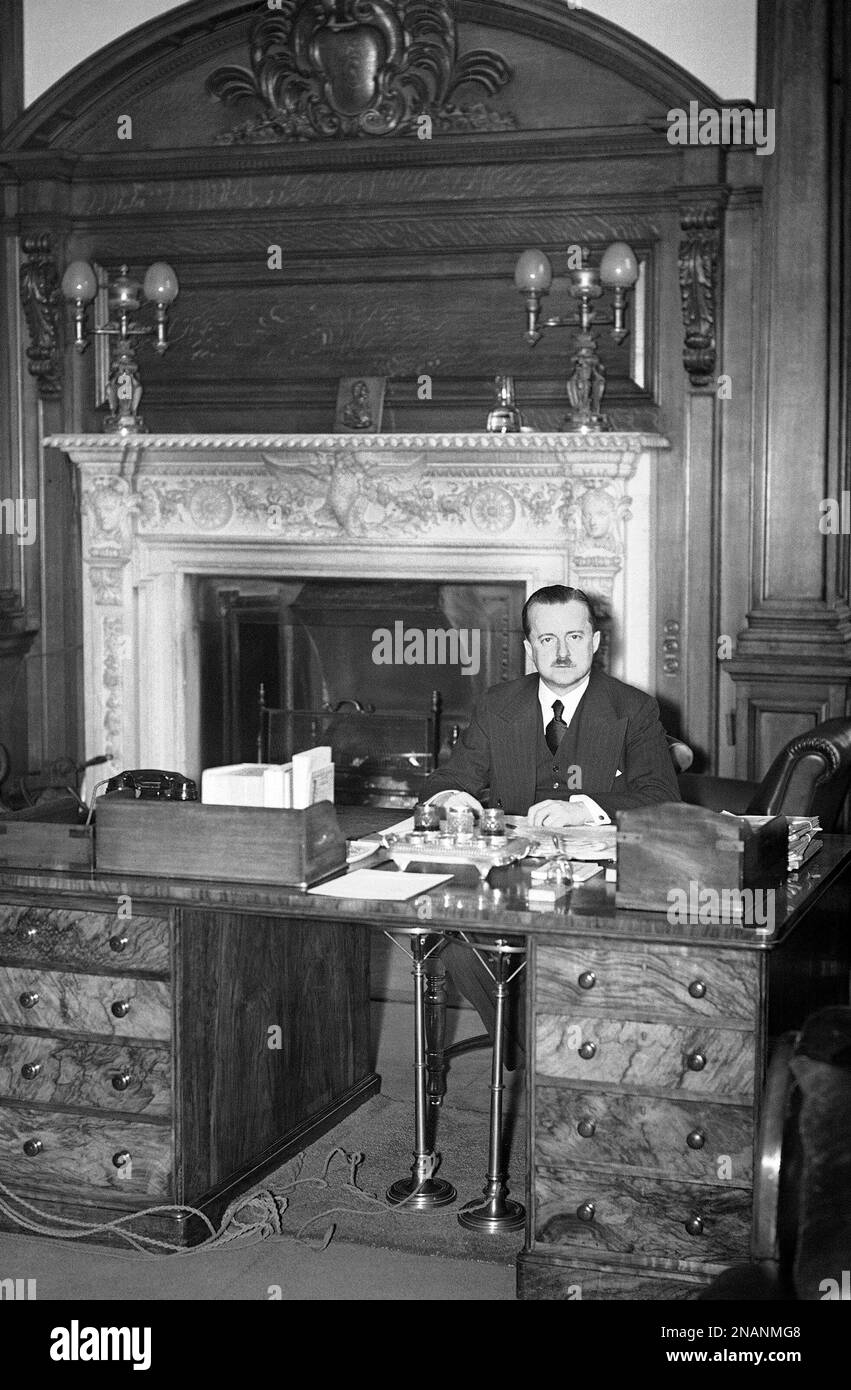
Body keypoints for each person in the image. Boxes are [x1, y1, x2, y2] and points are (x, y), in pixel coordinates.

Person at [422, 584, 681, 1064]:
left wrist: (583, 807)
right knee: (460, 948)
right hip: (512, 881)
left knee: (575, 958)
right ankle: (539, 1054)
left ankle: (550, 1055)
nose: (562, 652)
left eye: (574, 637)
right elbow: (451, 777)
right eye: (547, 640)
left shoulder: (633, 709)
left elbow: (661, 797)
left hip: (598, 884)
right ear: (528, 648)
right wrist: (453, 797)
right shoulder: (499, 705)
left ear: (596, 642)